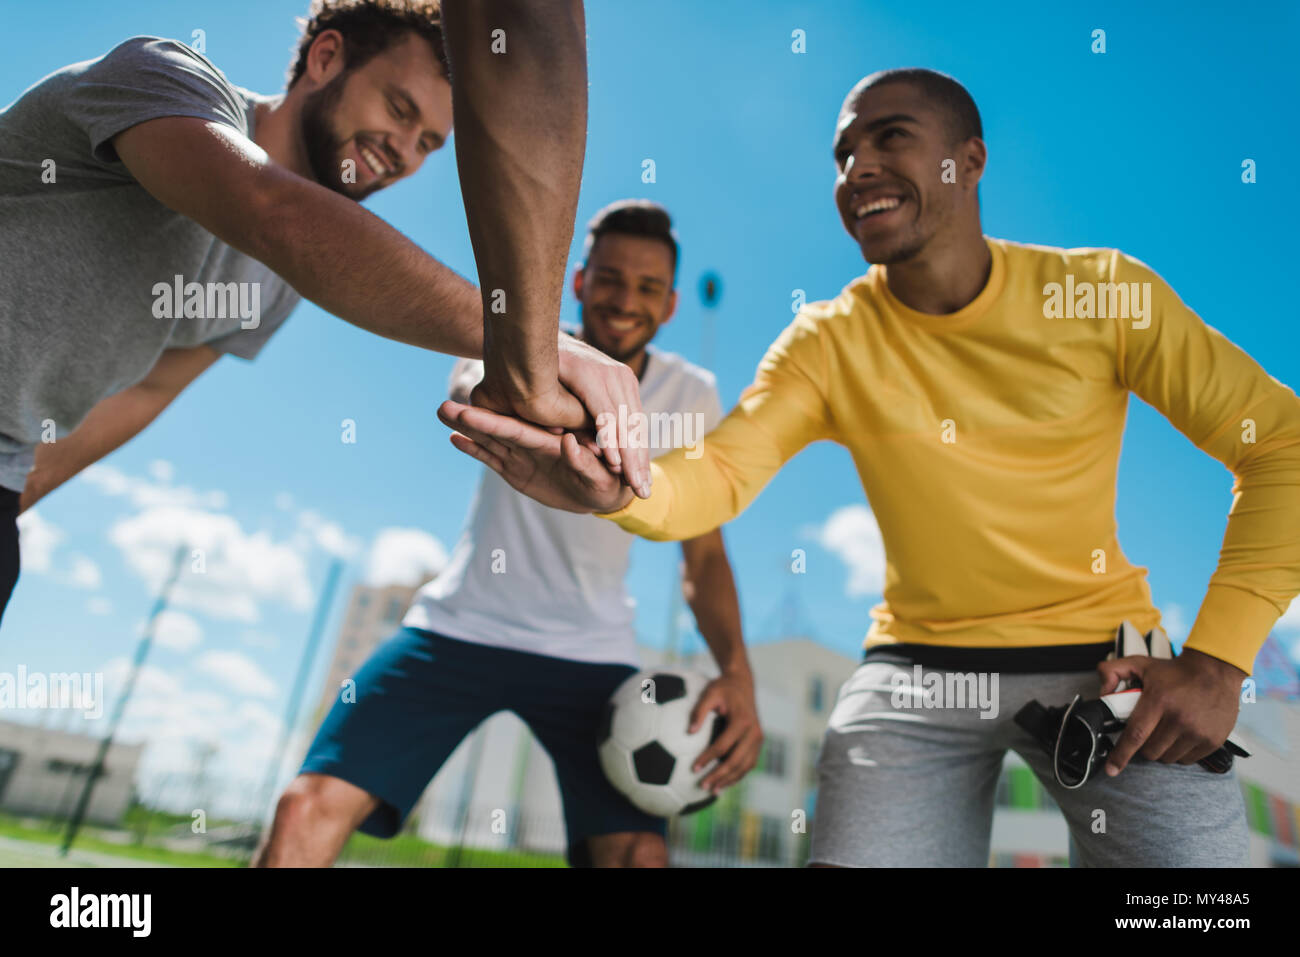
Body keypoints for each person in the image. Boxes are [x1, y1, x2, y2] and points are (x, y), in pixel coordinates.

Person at [437, 69, 1300, 867]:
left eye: (889, 138)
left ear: (970, 161)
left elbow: (1280, 443)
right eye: (844, 153)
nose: (858, 167)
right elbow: (718, 476)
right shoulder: (827, 340)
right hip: (912, 671)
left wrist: (1220, 662)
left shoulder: (1103, 295)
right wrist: (618, 485)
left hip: (1105, 663)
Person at [0, 0, 649, 629]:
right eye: (400, 109)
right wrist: (540, 344)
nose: (404, 151)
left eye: (428, 142)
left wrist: (13, 496)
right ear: (327, 57)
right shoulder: (163, 76)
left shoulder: (281, 285)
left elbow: (153, 385)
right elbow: (269, 211)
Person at [254, 200, 762, 868]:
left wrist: (738, 673)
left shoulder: (690, 394)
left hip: (592, 649)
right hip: (460, 625)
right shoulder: (517, 339)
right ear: (579, 282)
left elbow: (703, 552)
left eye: (646, 288)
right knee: (304, 809)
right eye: (609, 278)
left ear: (669, 306)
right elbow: (482, 391)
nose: (624, 300)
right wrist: (561, 380)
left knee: (637, 853)